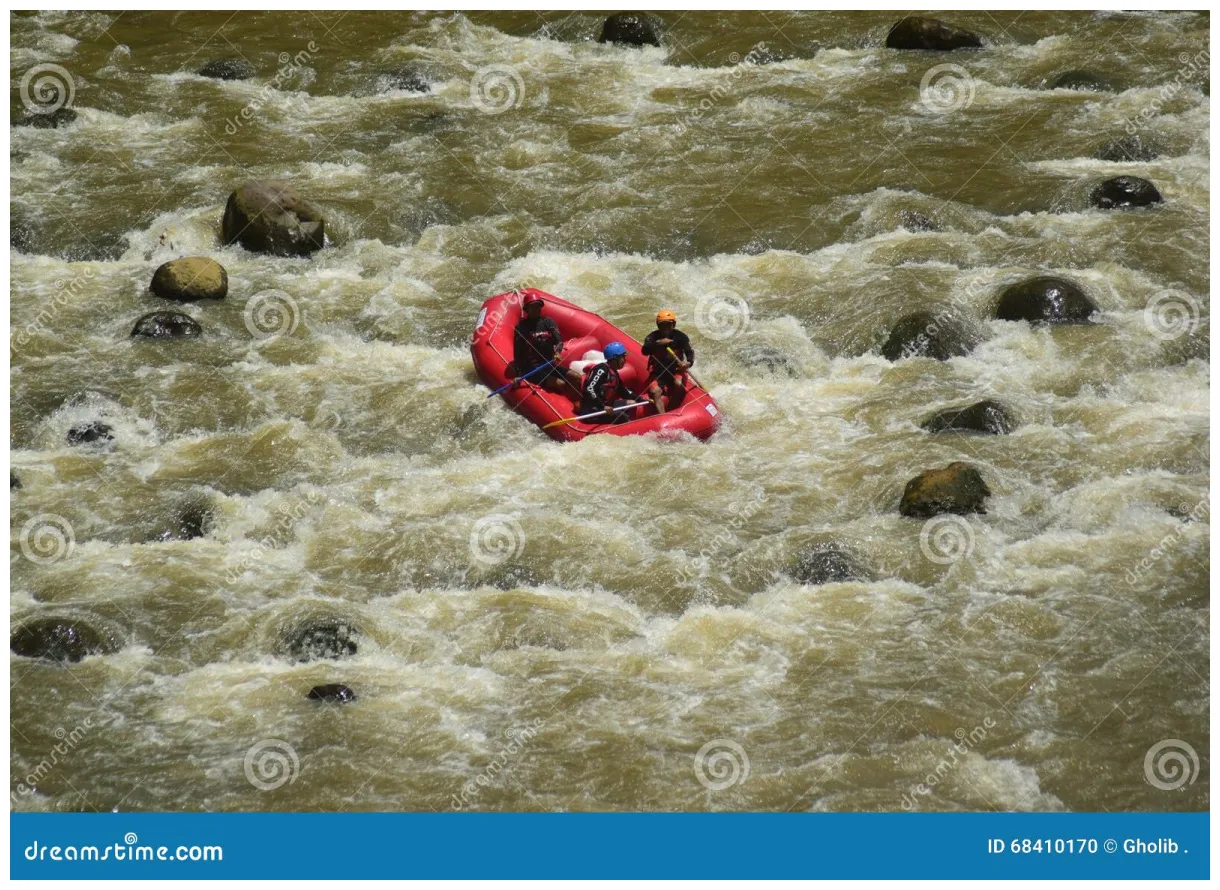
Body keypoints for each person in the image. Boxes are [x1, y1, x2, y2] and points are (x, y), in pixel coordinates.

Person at [506, 295, 581, 397]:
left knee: (576, 376)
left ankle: (582, 400)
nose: (536, 309)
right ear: (527, 309)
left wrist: (557, 352)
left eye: (538, 306)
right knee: (560, 383)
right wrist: (519, 375)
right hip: (532, 370)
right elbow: (517, 353)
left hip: (549, 365)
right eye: (532, 307)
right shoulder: (521, 327)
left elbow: (559, 340)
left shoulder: (548, 322)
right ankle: (575, 402)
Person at [640, 309, 695, 414]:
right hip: (658, 372)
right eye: (662, 326)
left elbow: (689, 353)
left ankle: (671, 410)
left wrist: (688, 363)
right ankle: (663, 416)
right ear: (658, 326)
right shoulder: (652, 337)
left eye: (668, 325)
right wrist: (658, 343)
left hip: (676, 370)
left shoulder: (681, 337)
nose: (665, 329)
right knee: (655, 392)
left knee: (678, 384)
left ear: (673, 324)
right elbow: (644, 351)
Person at [579, 341, 639, 423]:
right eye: (623, 357)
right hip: (593, 409)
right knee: (621, 416)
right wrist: (603, 406)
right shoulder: (601, 369)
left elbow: (624, 392)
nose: (625, 360)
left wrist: (640, 399)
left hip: (605, 405)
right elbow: (589, 388)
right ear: (615, 358)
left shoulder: (613, 372)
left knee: (632, 403)